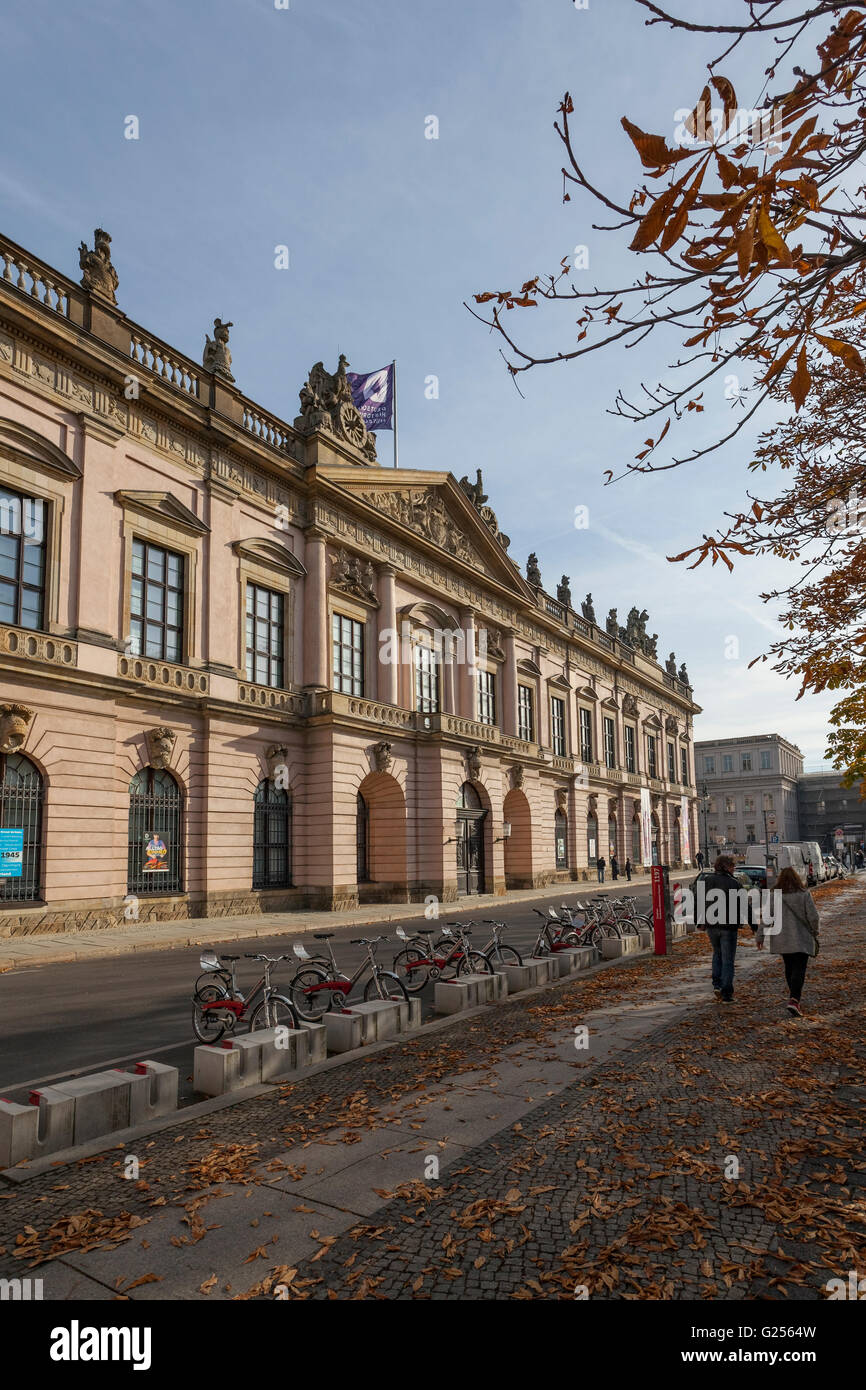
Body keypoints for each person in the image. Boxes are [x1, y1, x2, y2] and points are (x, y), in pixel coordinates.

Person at [755, 866, 819, 1018]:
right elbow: (814, 916)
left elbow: (767, 918)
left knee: (789, 967)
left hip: (782, 938)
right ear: (797, 878)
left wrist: (760, 936)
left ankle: (793, 998)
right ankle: (794, 999)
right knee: (799, 968)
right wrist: (815, 930)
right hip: (801, 938)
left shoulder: (774, 895)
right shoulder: (804, 894)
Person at [697, 854, 746, 1003]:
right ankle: (727, 993)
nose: (734, 868)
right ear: (726, 867)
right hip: (728, 927)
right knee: (728, 960)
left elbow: (699, 901)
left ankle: (716, 985)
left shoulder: (706, 880)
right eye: (732, 866)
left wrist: (700, 921)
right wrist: (750, 923)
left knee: (717, 954)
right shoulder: (734, 883)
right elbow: (743, 906)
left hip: (711, 926)